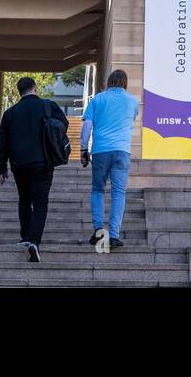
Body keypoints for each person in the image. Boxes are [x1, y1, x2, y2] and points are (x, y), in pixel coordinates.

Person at [0, 77, 68, 263]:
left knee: (24, 201)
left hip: (19, 164)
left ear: (20, 92)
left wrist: (1, 167)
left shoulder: (10, 113)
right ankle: (34, 241)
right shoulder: (47, 105)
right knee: (41, 203)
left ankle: (26, 237)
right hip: (43, 162)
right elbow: (63, 124)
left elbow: (1, 143)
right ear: (35, 88)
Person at [81, 68, 140, 250]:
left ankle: (99, 230)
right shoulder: (133, 101)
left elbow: (88, 125)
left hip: (101, 150)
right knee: (118, 192)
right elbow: (132, 120)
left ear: (109, 82)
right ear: (125, 83)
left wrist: (84, 148)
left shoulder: (98, 99)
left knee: (98, 189)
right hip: (122, 151)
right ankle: (114, 235)